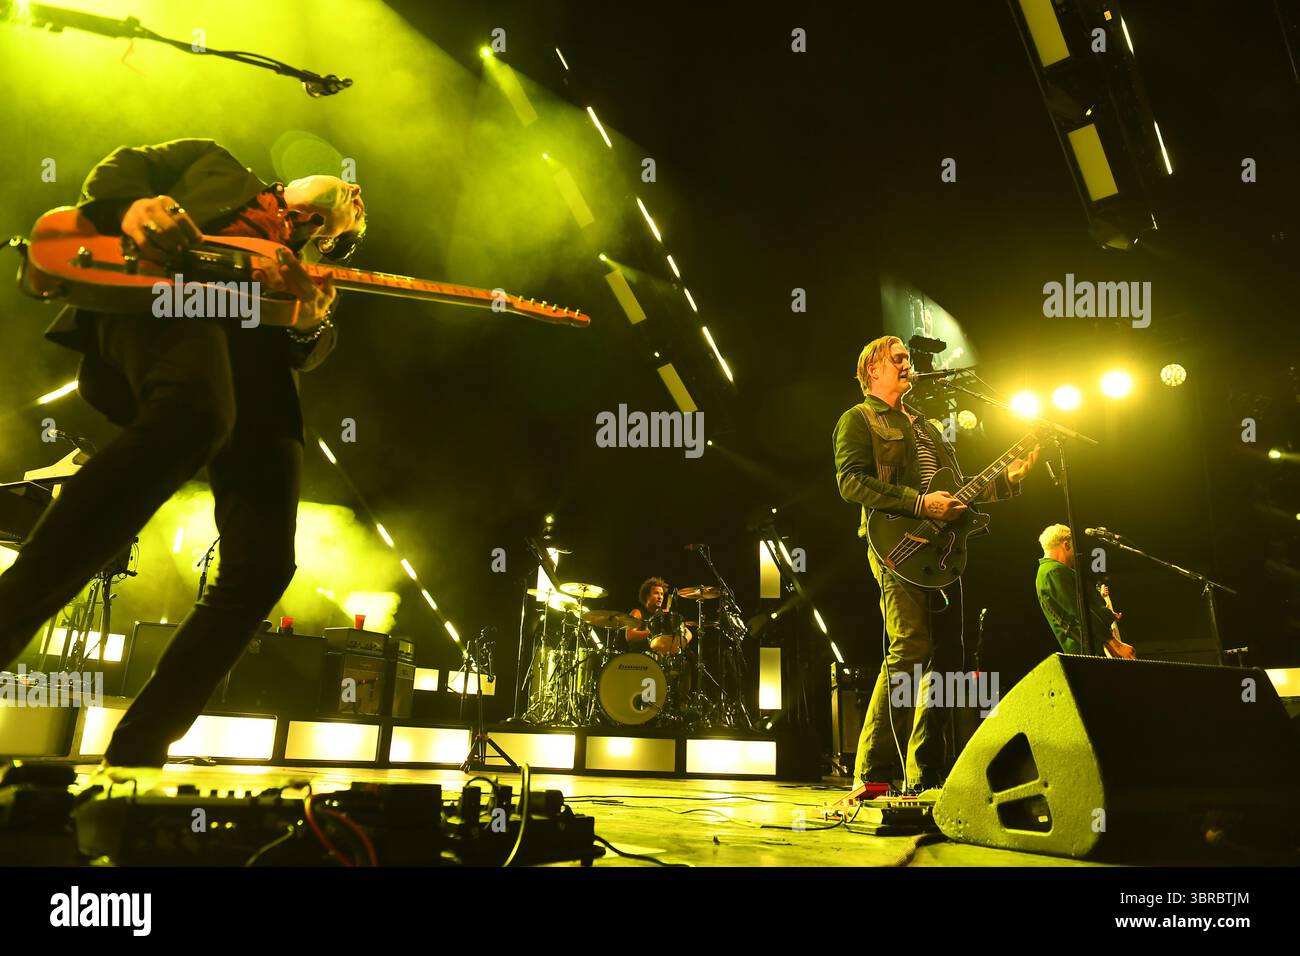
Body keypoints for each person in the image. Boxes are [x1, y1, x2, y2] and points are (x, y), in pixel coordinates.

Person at [0, 138, 366, 768]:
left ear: (324, 238)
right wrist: (132, 208)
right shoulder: (217, 163)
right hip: (159, 300)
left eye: (359, 210)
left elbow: (306, 346)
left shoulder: (300, 272)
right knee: (195, 414)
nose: (356, 193)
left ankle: (139, 753)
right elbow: (122, 164)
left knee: (263, 569)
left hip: (257, 378)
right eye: (351, 191)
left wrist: (307, 321)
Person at [834, 335, 1039, 792]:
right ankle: (874, 773)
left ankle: (926, 774)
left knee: (948, 661)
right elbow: (851, 482)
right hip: (897, 541)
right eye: (898, 359)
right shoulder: (859, 418)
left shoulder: (925, 426)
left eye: (908, 358)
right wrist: (920, 503)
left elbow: (959, 488)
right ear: (873, 370)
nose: (908, 364)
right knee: (909, 648)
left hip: (944, 551)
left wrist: (1007, 481)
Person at [1035, 523, 1135, 658]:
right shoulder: (1053, 572)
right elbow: (1080, 614)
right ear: (1066, 545)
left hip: (1089, 650)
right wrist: (1115, 644)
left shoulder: (1049, 572)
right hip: (1088, 652)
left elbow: (1079, 609)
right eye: (1075, 547)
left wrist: (1106, 614)